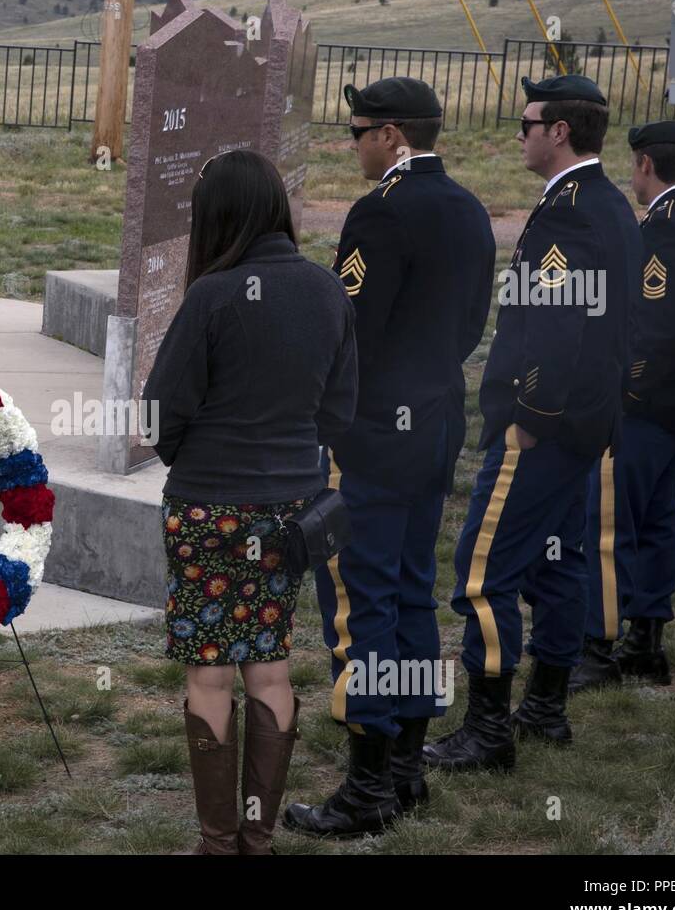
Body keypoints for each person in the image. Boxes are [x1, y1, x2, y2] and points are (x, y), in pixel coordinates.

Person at [282, 78, 494, 840]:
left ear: (393, 135)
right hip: (434, 425)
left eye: (358, 130)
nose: (353, 143)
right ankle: (405, 764)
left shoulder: (382, 211)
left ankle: (369, 784)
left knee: (358, 601)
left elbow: (351, 330)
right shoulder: (469, 209)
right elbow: (470, 324)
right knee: (410, 591)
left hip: (371, 434)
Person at [141, 149, 358, 854]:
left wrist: (195, 454)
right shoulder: (329, 292)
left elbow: (159, 416)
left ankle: (217, 838)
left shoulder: (212, 295)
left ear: (220, 216)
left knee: (210, 667)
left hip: (208, 506)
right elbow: (339, 410)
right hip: (290, 510)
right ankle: (258, 836)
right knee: (268, 663)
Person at [423, 75, 641, 773]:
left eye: (528, 123)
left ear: (561, 132)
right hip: (587, 426)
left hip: (544, 430)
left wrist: (530, 420)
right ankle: (545, 710)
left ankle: (488, 732)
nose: (519, 134)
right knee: (558, 564)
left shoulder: (571, 213)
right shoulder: (607, 204)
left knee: (483, 577)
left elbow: (555, 330)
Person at [571, 120, 675, 692]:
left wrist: (629, 391)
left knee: (610, 525)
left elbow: (654, 332)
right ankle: (647, 640)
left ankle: (598, 648)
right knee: (660, 518)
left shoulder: (662, 229)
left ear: (646, 164)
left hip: (644, 410)